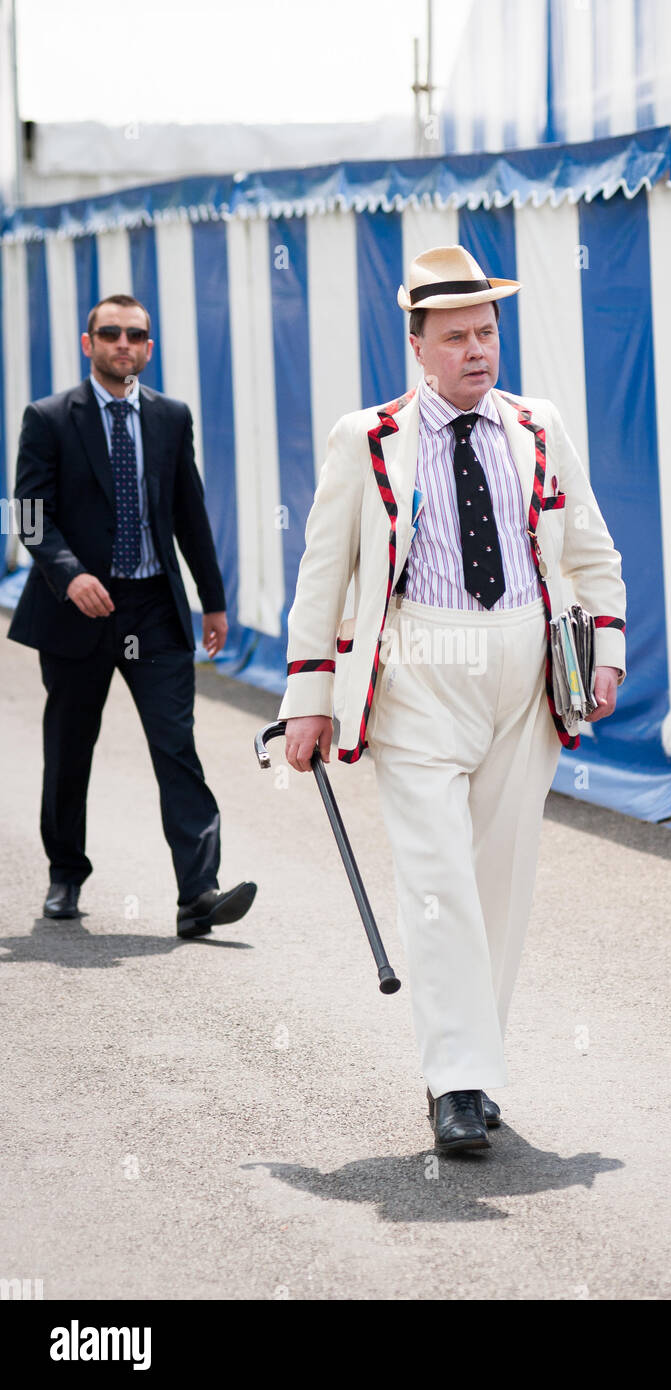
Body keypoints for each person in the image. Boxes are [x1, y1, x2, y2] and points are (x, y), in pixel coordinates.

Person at [278, 246, 626, 1152]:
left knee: (500, 883)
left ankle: (474, 1059)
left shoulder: (539, 426)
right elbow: (324, 574)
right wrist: (308, 697)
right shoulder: (368, 438)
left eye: (488, 332)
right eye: (457, 337)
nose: (478, 350)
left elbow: (590, 550)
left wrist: (608, 652)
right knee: (438, 884)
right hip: (418, 676)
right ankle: (458, 1084)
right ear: (418, 346)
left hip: (524, 677)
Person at [9, 293, 256, 938]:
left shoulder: (171, 417)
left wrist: (215, 599)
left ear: (150, 347)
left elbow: (190, 512)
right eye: (111, 333)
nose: (124, 343)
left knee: (176, 744)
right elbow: (31, 517)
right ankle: (66, 874)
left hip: (152, 608)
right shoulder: (49, 417)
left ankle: (198, 894)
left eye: (136, 335)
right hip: (78, 612)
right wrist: (71, 575)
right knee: (69, 748)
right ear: (87, 344)